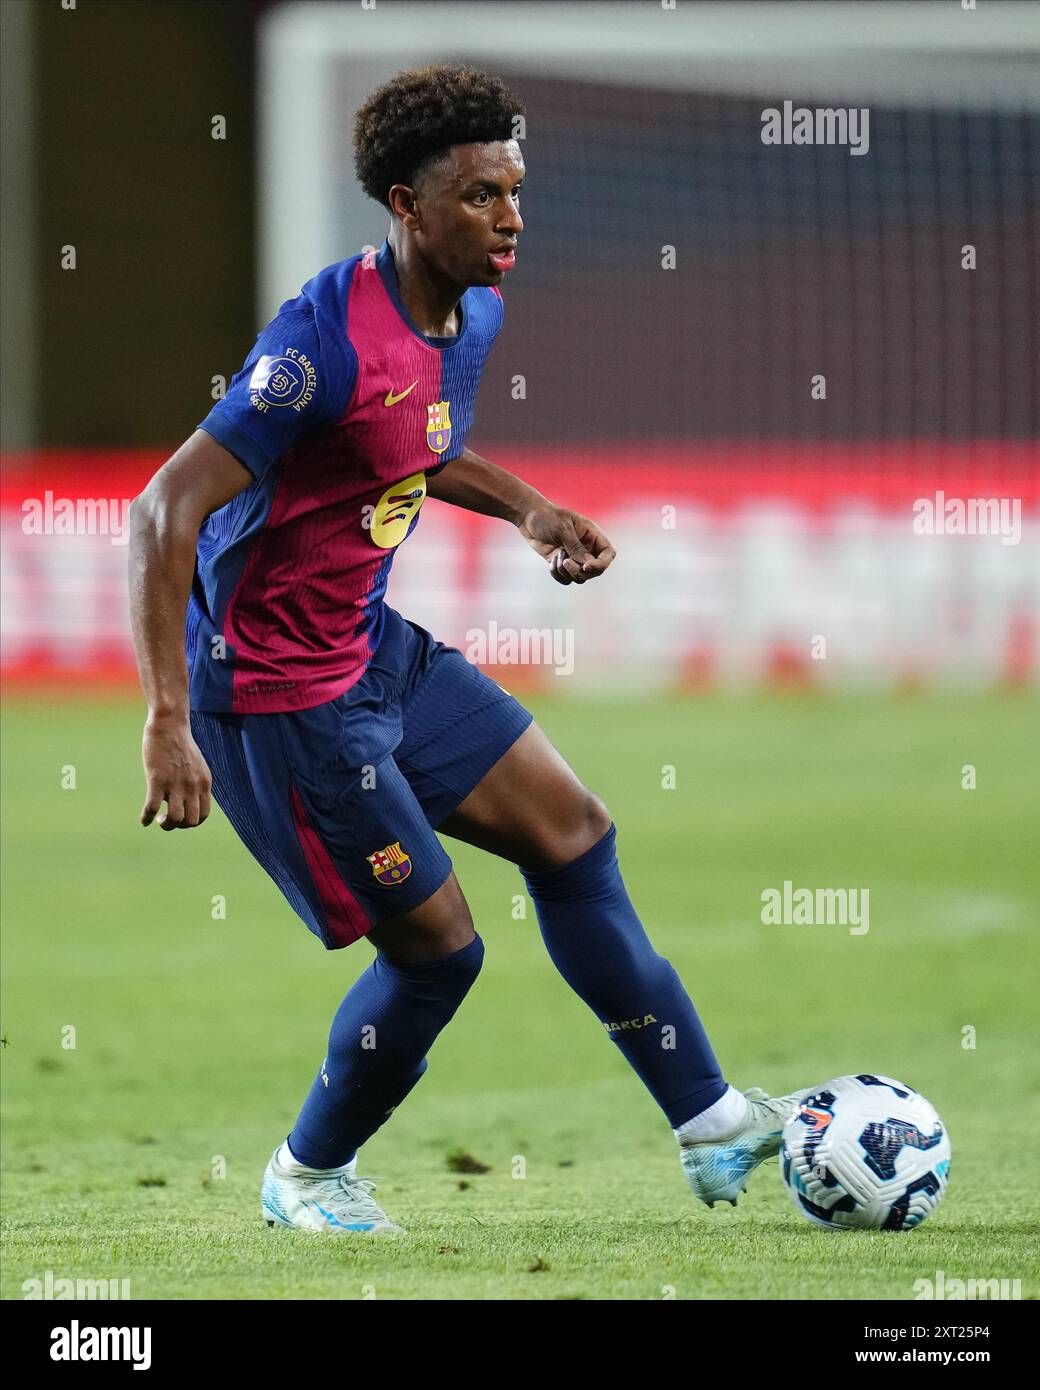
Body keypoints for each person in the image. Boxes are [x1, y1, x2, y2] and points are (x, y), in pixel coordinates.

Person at [128, 63, 804, 1236]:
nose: (511, 219)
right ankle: (307, 1174)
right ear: (404, 202)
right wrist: (167, 714)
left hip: (370, 649)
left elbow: (417, 442)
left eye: (516, 190)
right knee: (440, 955)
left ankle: (711, 1128)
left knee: (574, 831)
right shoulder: (315, 344)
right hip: (282, 698)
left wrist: (528, 507)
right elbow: (163, 507)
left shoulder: (474, 311)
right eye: (482, 195)